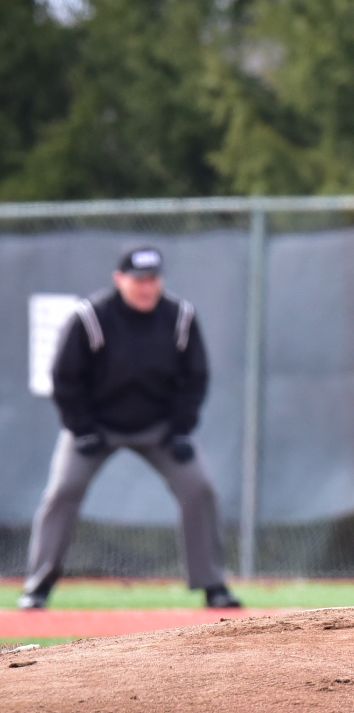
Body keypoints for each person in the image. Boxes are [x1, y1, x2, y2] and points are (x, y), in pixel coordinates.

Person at [18, 246, 241, 611]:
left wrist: (182, 428)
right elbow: (65, 378)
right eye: (138, 280)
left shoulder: (180, 316)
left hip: (160, 427)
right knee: (62, 491)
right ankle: (37, 586)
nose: (146, 288)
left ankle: (214, 585)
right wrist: (82, 427)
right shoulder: (91, 316)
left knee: (199, 487)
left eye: (152, 279)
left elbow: (195, 377)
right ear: (119, 279)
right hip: (95, 426)